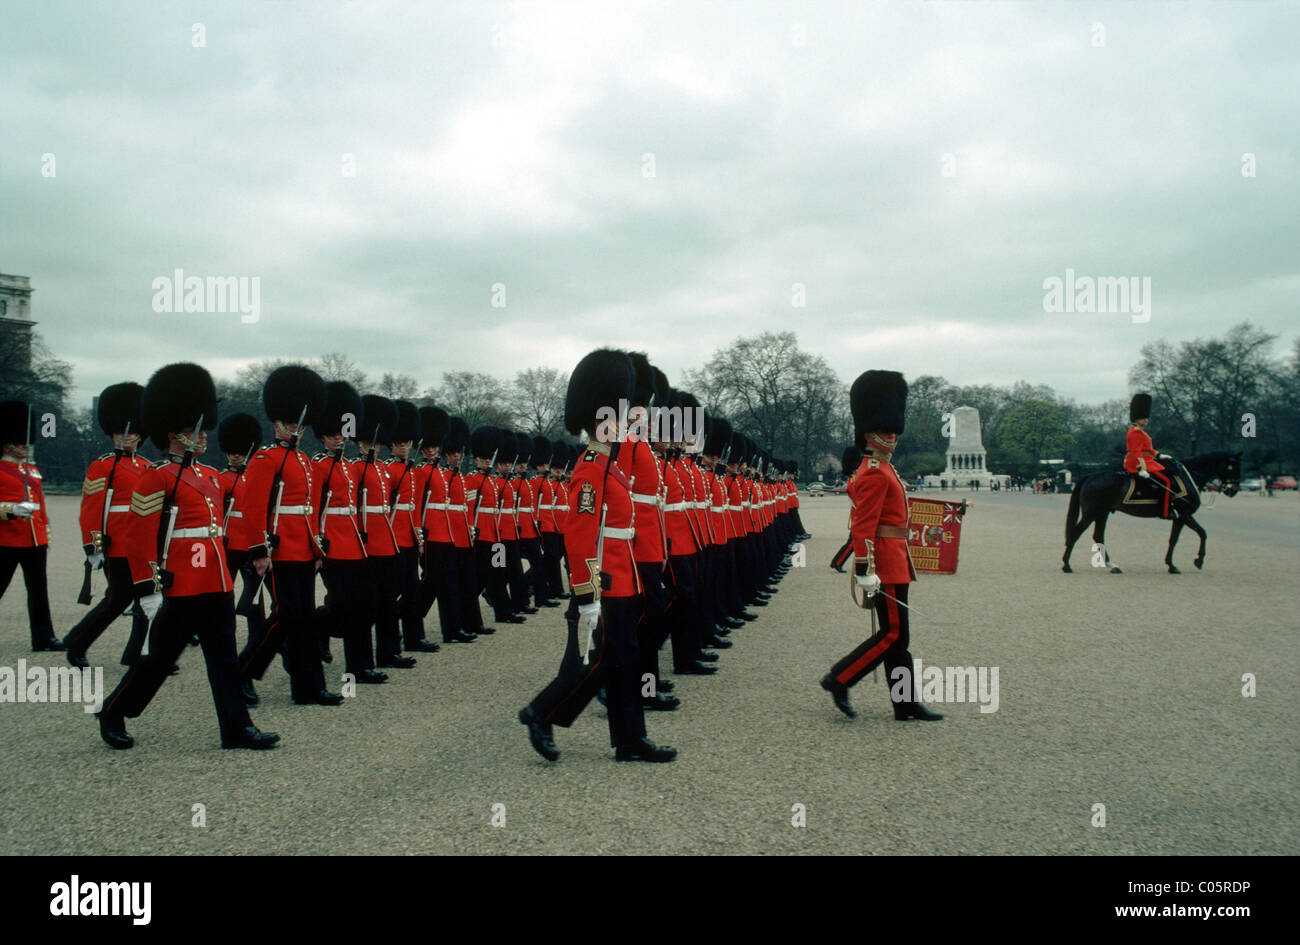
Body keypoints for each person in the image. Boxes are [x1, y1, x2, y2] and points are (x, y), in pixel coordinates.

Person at [95, 362, 278, 750]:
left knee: (224, 660)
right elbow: (137, 535)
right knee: (158, 660)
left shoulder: (210, 477)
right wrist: (149, 584)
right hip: (181, 585)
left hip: (215, 582)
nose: (204, 436)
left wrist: (255, 552)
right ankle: (113, 709)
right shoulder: (156, 478)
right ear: (176, 434)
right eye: (197, 430)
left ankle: (236, 728)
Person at [519, 348, 676, 763]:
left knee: (622, 659)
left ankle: (629, 740)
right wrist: (587, 594)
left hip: (625, 577)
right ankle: (541, 711)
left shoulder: (611, 465)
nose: (622, 423)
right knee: (603, 659)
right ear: (596, 421)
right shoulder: (591, 467)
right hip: (606, 580)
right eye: (615, 416)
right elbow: (580, 535)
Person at [820, 370, 943, 724]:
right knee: (892, 634)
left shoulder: (885, 469)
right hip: (883, 563)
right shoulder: (874, 471)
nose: (891, 434)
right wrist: (864, 569)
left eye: (893, 430)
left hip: (895, 559)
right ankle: (840, 678)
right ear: (867, 434)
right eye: (884, 429)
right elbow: (863, 525)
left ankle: (904, 704)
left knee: (898, 638)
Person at [237, 365, 343, 706]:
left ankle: (308, 687)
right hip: (279, 548)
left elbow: (310, 509)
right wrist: (259, 549)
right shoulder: (266, 459)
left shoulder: (303, 460)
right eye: (288, 422)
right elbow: (253, 508)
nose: (294, 428)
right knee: (285, 616)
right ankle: (241, 672)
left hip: (302, 548)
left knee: (304, 619)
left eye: (299, 423)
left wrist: (316, 549)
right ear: (276, 423)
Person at [64, 382, 151, 667]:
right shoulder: (103, 466)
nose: (126, 437)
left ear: (140, 435)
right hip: (118, 545)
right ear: (112, 434)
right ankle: (77, 642)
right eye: (119, 432)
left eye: (131, 432)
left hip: (143, 546)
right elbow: (91, 509)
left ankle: (138, 653)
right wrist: (94, 546)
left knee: (149, 599)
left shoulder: (148, 467)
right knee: (118, 599)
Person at [0, 400, 62, 652]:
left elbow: (41, 507)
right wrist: (10, 510)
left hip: (34, 540)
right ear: (6, 443)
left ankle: (43, 637)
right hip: (6, 540)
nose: (25, 445)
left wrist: (45, 532)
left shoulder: (32, 470)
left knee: (39, 593)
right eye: (19, 441)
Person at [387, 399, 439, 653]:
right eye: (399, 443)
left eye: (407, 442)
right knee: (390, 593)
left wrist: (418, 539)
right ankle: (392, 642)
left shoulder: (410, 471)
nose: (404, 447)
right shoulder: (389, 471)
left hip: (409, 537)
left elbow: (415, 508)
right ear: (391, 445)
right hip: (391, 538)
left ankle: (414, 637)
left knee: (412, 591)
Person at [1124, 393, 1175, 519]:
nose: (1146, 420)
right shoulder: (1134, 433)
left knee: (1168, 475)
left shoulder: (1141, 432)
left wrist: (1160, 455)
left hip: (1148, 460)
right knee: (1166, 481)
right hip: (1138, 462)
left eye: (1146, 418)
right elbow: (1136, 452)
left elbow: (1148, 449)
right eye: (1143, 418)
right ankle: (1165, 511)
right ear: (1136, 419)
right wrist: (1141, 468)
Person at [828, 445, 861, 573]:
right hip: (859, 515)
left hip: (857, 514)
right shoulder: (853, 481)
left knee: (853, 542)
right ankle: (837, 562)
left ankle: (836, 562)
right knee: (853, 543)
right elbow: (859, 500)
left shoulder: (854, 479)